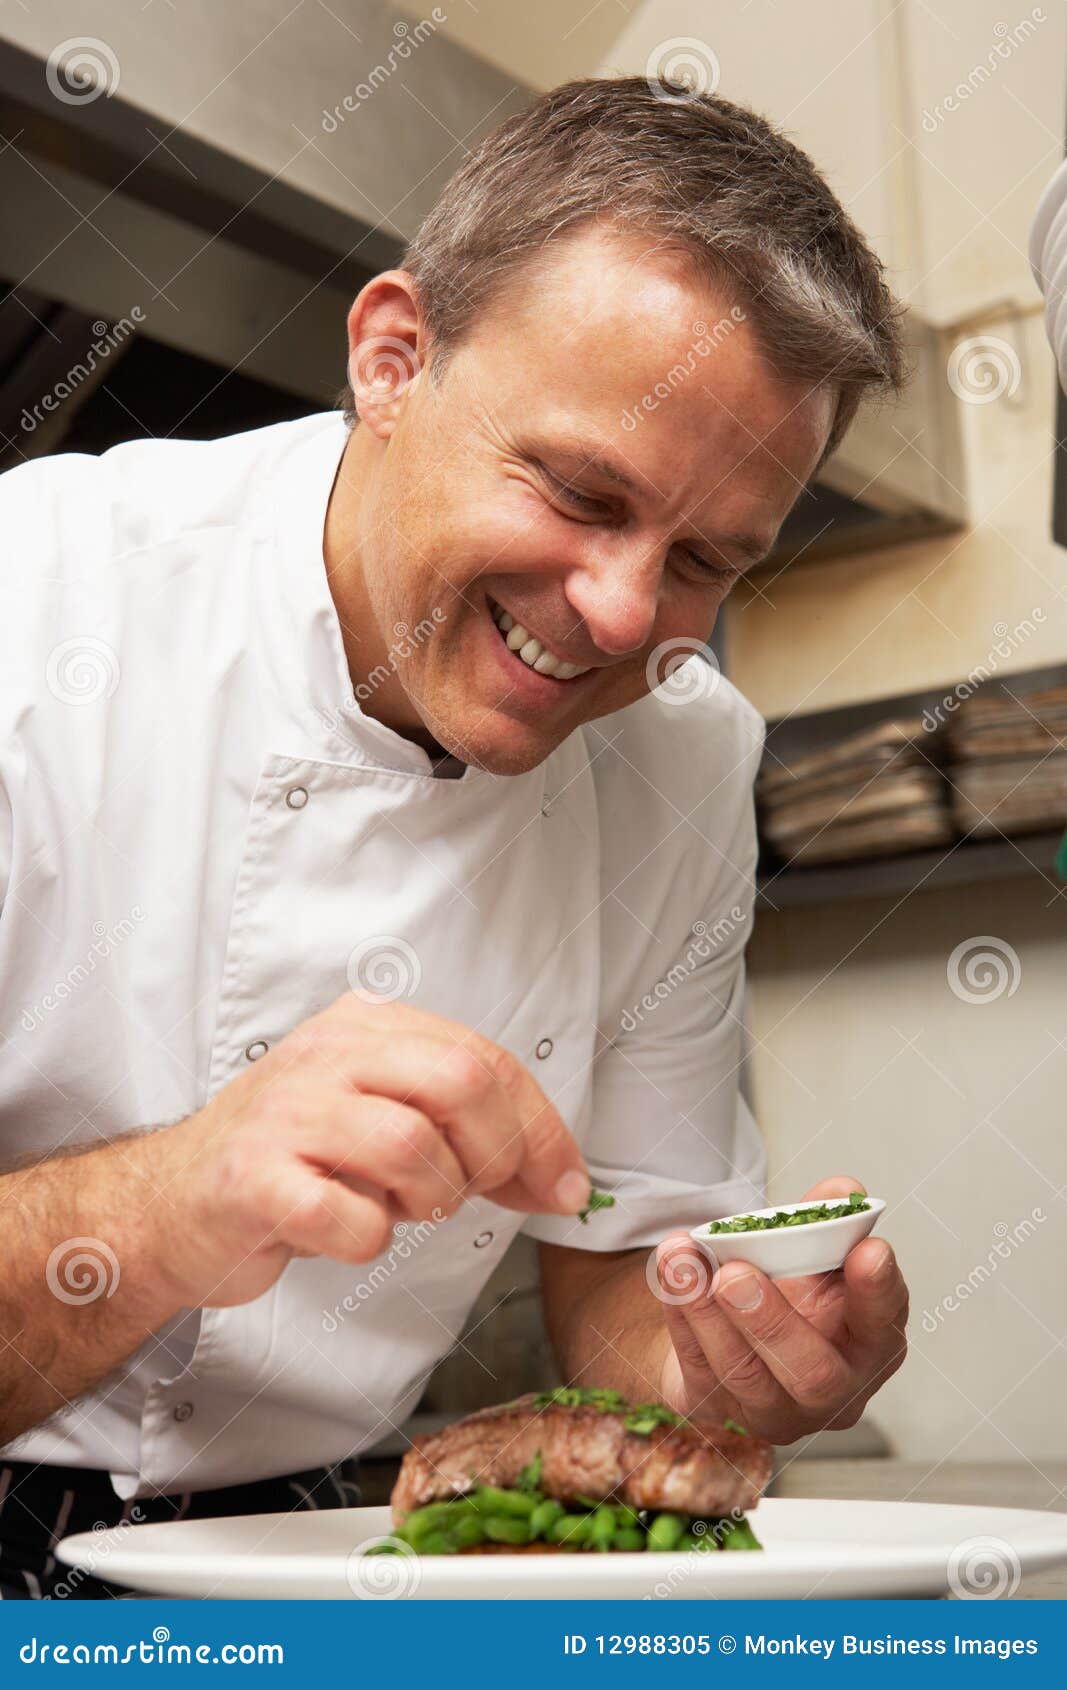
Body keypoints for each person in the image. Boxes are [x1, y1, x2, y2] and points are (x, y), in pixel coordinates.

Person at [0, 77, 909, 1595]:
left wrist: (735, 1365)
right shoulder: (37, 611)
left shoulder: (684, 763)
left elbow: (625, 1275)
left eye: (703, 559)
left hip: (317, 1547)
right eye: (577, 489)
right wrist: (172, 1205)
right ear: (393, 357)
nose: (626, 614)